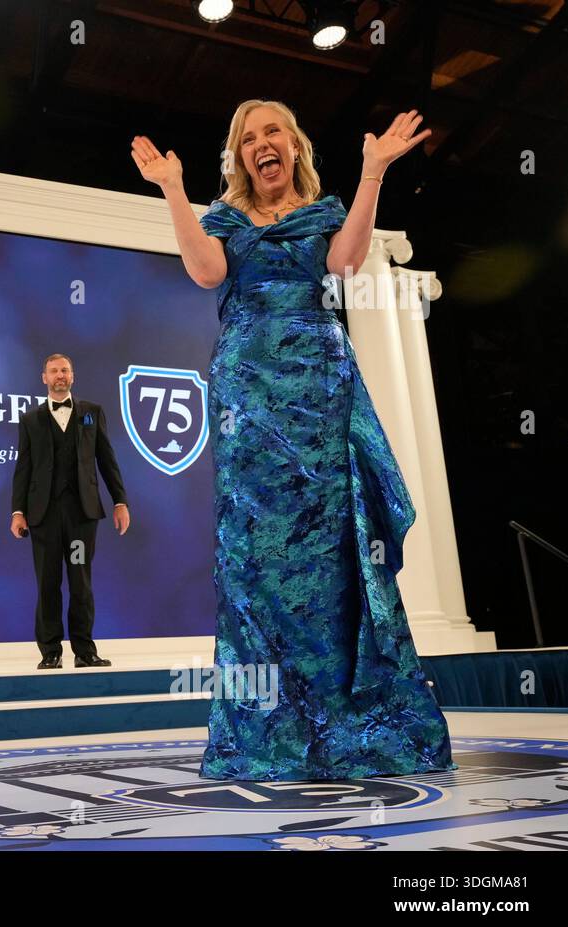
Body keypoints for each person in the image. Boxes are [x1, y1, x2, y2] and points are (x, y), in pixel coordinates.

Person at [130, 100, 456, 780]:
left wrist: (372, 174)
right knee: (254, 561)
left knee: (334, 557)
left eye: (272, 130)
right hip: (249, 402)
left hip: (322, 396)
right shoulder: (221, 218)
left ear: (294, 144)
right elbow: (208, 274)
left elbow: (346, 262)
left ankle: (350, 723)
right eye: (247, 138)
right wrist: (172, 190)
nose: (261, 144)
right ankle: (267, 733)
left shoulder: (323, 212)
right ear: (239, 155)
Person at [11, 353, 130, 669]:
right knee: (47, 584)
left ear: (72, 377)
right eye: (54, 371)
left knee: (80, 581)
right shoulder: (30, 420)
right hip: (44, 517)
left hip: (81, 517)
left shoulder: (92, 413)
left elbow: (107, 460)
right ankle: (50, 652)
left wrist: (120, 501)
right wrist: (17, 512)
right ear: (44, 378)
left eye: (65, 370)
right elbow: (23, 469)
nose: (60, 375)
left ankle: (84, 651)